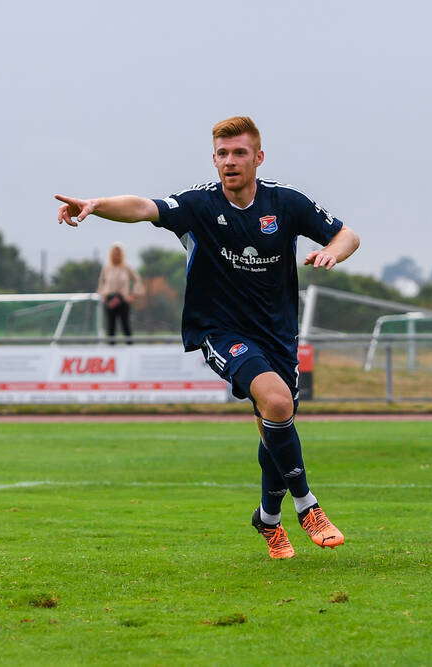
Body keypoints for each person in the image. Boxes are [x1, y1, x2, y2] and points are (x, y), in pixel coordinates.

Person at [55, 116, 360, 560]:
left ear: (258, 157)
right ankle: (307, 505)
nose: (230, 161)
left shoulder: (286, 202)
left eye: (239, 153)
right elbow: (143, 207)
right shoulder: (199, 203)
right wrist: (96, 204)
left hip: (277, 332)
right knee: (277, 403)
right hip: (219, 329)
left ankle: (267, 519)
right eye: (222, 154)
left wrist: (332, 250)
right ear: (214, 159)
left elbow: (347, 234)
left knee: (273, 426)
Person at [97, 242, 145, 344]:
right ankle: (111, 350)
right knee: (110, 326)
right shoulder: (107, 268)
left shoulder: (126, 267)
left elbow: (137, 280)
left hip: (123, 299)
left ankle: (130, 349)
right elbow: (101, 283)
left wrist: (133, 295)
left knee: (125, 325)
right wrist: (104, 296)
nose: (116, 255)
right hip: (109, 300)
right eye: (114, 253)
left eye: (118, 253)